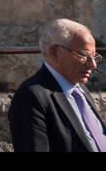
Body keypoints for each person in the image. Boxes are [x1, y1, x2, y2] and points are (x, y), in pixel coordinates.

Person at [9, 18, 104, 152]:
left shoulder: (80, 89)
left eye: (94, 57)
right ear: (54, 52)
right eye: (83, 55)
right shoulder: (31, 96)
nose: (92, 65)